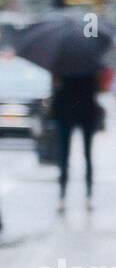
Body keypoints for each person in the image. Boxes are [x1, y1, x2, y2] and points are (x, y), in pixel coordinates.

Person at [50, 72, 102, 212]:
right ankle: (84, 196)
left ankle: (65, 196)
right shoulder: (90, 64)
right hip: (84, 111)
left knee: (66, 155)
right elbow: (97, 89)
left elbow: (55, 88)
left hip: (70, 111)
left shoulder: (62, 63)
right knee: (83, 154)